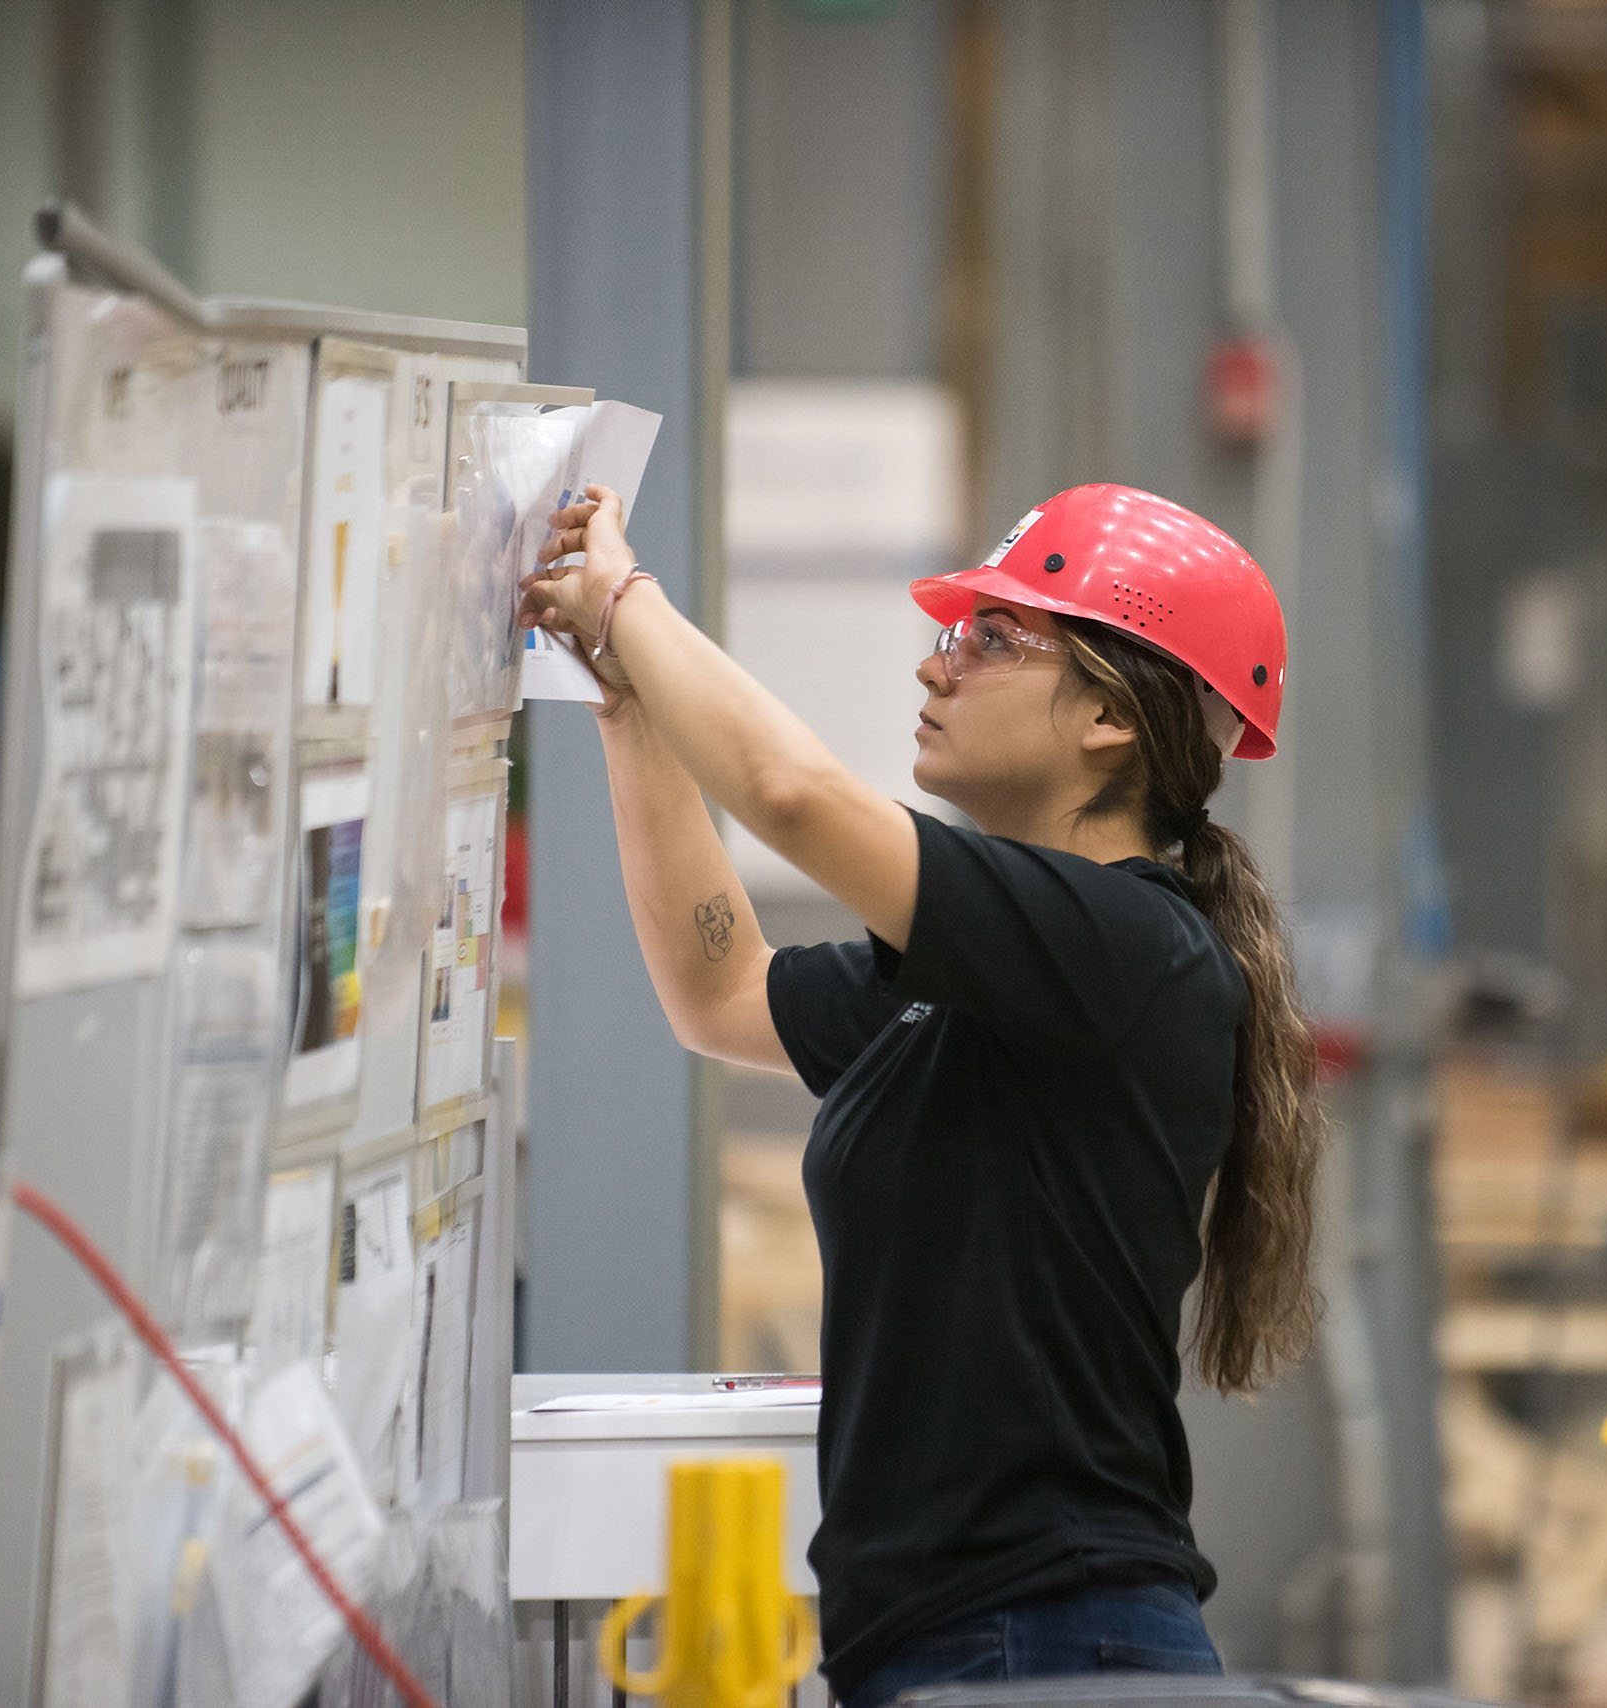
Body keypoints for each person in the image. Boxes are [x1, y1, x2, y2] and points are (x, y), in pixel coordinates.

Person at [520, 481, 1324, 1708]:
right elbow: (719, 988)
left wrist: (628, 605)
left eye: (993, 638)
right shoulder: (969, 989)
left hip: (1049, 1638)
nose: (936, 667)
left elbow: (793, 795)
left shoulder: (1129, 948)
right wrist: (628, 710)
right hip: (952, 1643)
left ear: (1111, 713)